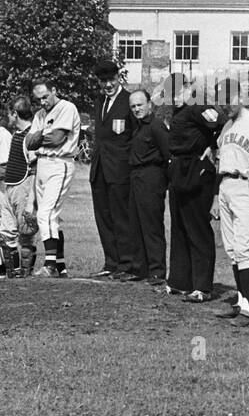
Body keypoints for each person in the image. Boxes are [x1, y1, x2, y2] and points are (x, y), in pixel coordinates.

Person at [212, 96, 249, 326]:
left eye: (229, 99)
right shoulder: (226, 126)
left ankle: (248, 311)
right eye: (221, 101)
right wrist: (216, 195)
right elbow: (221, 163)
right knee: (232, 249)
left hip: (247, 184)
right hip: (227, 184)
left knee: (244, 247)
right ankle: (241, 302)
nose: (225, 105)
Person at [165, 76, 220, 301]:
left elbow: (221, 122)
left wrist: (212, 147)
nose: (174, 96)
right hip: (179, 170)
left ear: (188, 88)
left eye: (178, 91)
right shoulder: (178, 112)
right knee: (179, 226)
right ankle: (180, 282)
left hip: (197, 171)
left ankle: (202, 286)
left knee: (197, 227)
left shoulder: (199, 106)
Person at [89, 59, 139, 279]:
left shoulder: (129, 101)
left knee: (121, 217)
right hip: (99, 168)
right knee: (103, 217)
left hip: (120, 170)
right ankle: (111, 261)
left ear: (118, 77)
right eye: (103, 81)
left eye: (110, 79)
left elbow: (135, 137)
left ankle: (126, 264)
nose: (107, 85)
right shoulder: (99, 101)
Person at [27, 80, 81, 278]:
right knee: (51, 217)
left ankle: (49, 264)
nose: (42, 102)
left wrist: (39, 136)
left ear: (54, 91)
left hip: (60, 162)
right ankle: (60, 266)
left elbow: (57, 139)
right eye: (38, 99)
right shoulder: (40, 114)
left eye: (45, 96)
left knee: (46, 214)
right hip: (42, 163)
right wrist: (41, 137)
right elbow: (29, 142)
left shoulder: (67, 107)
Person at [124, 89, 171, 284]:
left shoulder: (156, 126)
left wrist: (163, 183)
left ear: (149, 104)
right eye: (133, 106)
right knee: (135, 224)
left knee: (151, 226)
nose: (136, 109)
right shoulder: (137, 127)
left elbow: (168, 154)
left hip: (152, 177)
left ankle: (156, 271)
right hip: (136, 177)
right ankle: (139, 268)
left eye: (140, 105)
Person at [1, 96, 37, 278]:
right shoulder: (16, 135)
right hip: (10, 187)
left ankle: (25, 273)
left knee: (25, 232)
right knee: (7, 231)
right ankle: (13, 272)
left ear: (15, 113)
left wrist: (31, 197)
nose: (7, 117)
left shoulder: (31, 136)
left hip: (23, 187)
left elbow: (35, 169)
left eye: (9, 113)